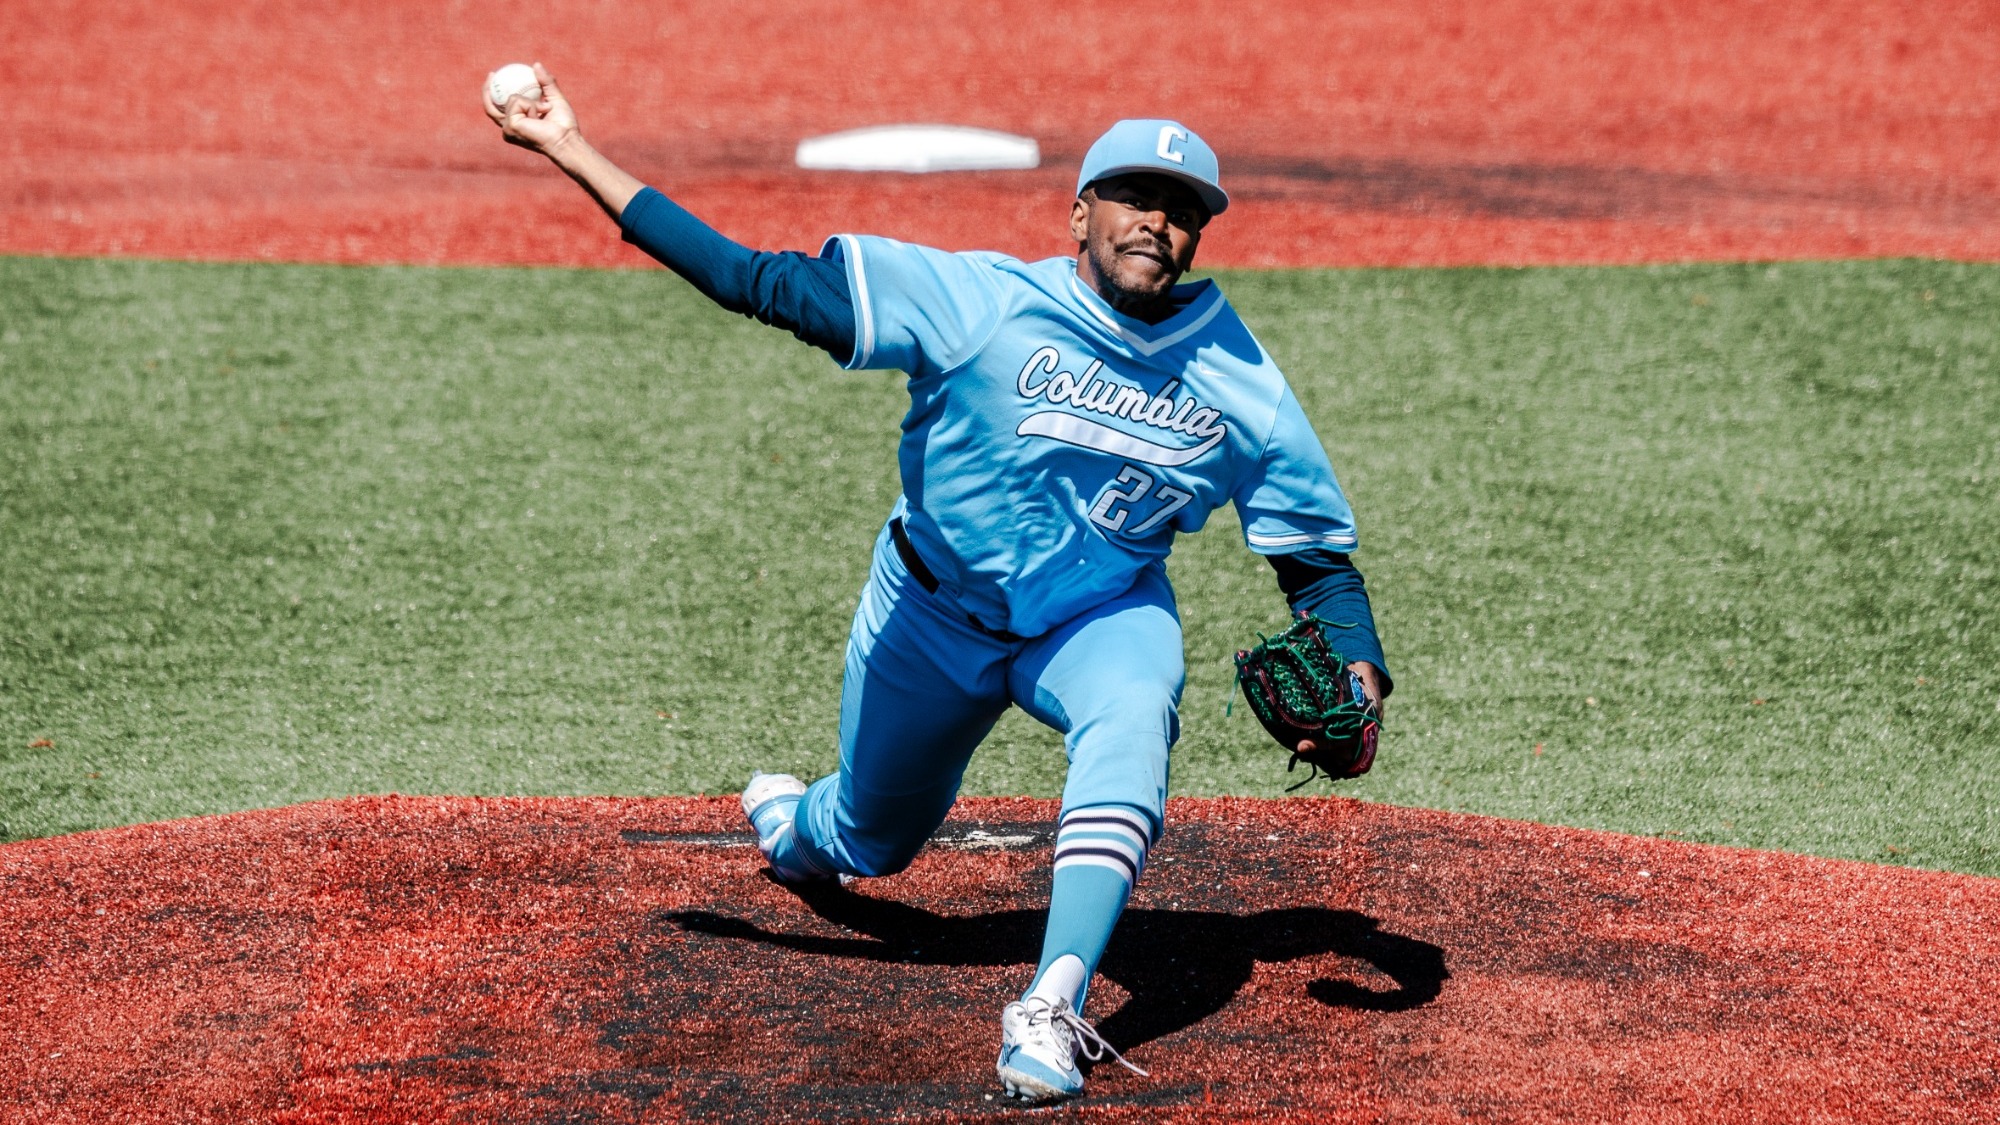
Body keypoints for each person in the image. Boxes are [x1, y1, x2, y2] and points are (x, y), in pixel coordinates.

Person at [485, 65, 1392, 1103]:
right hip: (928, 614)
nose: (1157, 222)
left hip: (1097, 618)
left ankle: (1052, 1002)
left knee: (1136, 712)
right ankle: (799, 826)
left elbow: (1313, 562)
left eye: (1182, 209)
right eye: (1135, 197)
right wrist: (570, 151)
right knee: (870, 839)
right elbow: (755, 281)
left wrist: (1359, 672)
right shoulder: (975, 301)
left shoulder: (1239, 381)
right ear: (1078, 212)